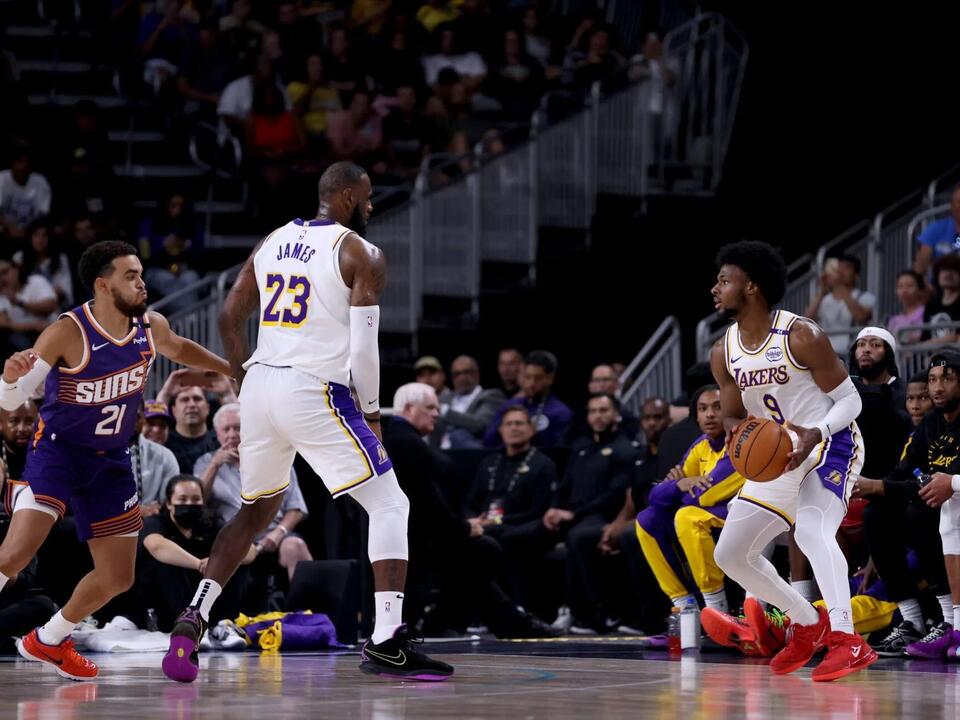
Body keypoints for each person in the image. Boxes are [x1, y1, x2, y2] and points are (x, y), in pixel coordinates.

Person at [163, 162, 452, 683]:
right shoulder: (361, 253)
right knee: (390, 502)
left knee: (255, 512)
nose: (370, 207)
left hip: (260, 386)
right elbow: (364, 352)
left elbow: (229, 318)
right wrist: (370, 414)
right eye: (365, 198)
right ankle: (387, 640)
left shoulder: (273, 240)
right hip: (313, 387)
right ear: (344, 196)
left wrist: (238, 377)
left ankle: (194, 616)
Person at [0, 240, 232, 680]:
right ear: (103, 286)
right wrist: (9, 379)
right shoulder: (67, 332)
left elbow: (179, 347)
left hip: (111, 461)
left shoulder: (150, 325)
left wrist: (232, 368)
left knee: (117, 577)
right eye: (131, 276)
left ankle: (47, 640)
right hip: (59, 454)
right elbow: (12, 398)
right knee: (14, 553)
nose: (142, 282)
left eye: (141, 273)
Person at [708, 240, 876, 681]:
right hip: (779, 453)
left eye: (725, 280)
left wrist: (816, 432)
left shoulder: (800, 335)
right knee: (730, 553)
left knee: (812, 529)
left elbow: (851, 401)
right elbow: (731, 412)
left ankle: (847, 639)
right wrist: (733, 433)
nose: (715, 288)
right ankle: (805, 622)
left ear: (752, 288)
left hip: (829, 440)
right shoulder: (722, 350)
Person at [637, 386, 744, 614]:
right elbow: (655, 497)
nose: (710, 414)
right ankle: (684, 606)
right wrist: (679, 484)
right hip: (712, 516)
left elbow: (705, 495)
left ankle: (717, 608)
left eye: (717, 407)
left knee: (687, 516)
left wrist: (676, 488)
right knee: (647, 519)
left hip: (742, 516)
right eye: (702, 409)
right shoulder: (701, 445)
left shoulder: (742, 442)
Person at [193, 402, 311, 591]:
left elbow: (296, 508)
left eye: (238, 427)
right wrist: (215, 466)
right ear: (217, 434)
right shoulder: (206, 462)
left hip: (273, 535)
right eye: (226, 429)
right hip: (231, 536)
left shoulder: (274, 457)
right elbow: (198, 501)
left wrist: (278, 532)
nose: (232, 434)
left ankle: (305, 613)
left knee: (294, 546)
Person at [900, 350, 960, 659]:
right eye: (933, 380)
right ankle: (952, 625)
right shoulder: (933, 423)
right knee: (928, 508)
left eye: (947, 380)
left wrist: (951, 482)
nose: (937, 388)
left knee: (946, 501)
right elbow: (908, 469)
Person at [138, 475, 254, 632]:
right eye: (182, 499)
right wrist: (199, 564)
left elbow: (249, 549)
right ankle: (184, 625)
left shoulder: (212, 522)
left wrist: (218, 562)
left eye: (195, 499)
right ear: (169, 503)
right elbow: (157, 546)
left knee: (238, 564)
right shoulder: (156, 522)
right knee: (162, 564)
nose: (189, 504)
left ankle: (224, 625)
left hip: (203, 591)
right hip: (168, 596)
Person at [483, 350, 573, 448]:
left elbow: (559, 452)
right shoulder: (508, 406)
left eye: (538, 378)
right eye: (527, 377)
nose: (532, 383)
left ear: (550, 378)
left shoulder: (561, 413)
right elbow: (489, 441)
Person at [804, 254, 875, 354]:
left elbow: (861, 317)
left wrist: (840, 286)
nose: (841, 272)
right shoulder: (825, 299)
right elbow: (807, 320)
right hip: (827, 351)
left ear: (856, 274)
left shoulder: (864, 297)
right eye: (839, 268)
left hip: (851, 352)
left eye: (847, 268)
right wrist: (821, 293)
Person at [432, 355, 505, 449]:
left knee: (458, 435)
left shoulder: (491, 396)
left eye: (466, 372)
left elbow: (480, 425)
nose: (462, 377)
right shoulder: (443, 399)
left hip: (470, 453)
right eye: (457, 374)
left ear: (477, 374)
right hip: (440, 452)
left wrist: (445, 411)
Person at [565, 364, 639, 443]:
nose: (601, 384)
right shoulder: (579, 416)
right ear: (590, 386)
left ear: (616, 384)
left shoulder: (627, 418)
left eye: (606, 380)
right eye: (597, 380)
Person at [132, 401, 180, 515]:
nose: (157, 430)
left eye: (163, 425)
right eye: (151, 423)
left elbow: (169, 501)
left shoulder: (167, 456)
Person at [913, 183, 960, 277]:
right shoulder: (936, 229)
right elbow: (920, 266)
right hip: (940, 288)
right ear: (951, 205)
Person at [921, 254, 960, 344]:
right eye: (944, 270)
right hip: (932, 356)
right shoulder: (931, 306)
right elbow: (925, 337)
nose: (948, 274)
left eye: (953, 270)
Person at [887, 270, 926, 344]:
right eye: (900, 286)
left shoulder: (926, 313)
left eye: (909, 286)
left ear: (920, 290)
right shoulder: (893, 320)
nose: (904, 290)